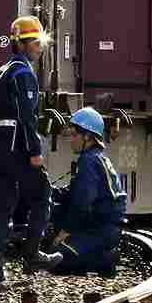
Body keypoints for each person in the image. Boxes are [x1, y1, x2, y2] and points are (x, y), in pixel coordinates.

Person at [0, 16, 63, 294]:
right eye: (37, 43)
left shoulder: (0, 72)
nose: (40, 48)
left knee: (3, 204)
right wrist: (35, 152)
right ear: (24, 45)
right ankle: (32, 254)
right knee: (42, 194)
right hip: (16, 146)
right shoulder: (23, 74)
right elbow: (27, 118)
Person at [50, 108, 128, 276]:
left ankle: (105, 259)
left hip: (100, 230)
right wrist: (49, 191)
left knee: (56, 261)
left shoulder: (88, 161)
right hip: (102, 226)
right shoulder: (95, 157)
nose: (70, 140)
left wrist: (65, 232)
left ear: (87, 137)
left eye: (74, 135)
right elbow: (74, 193)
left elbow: (82, 204)